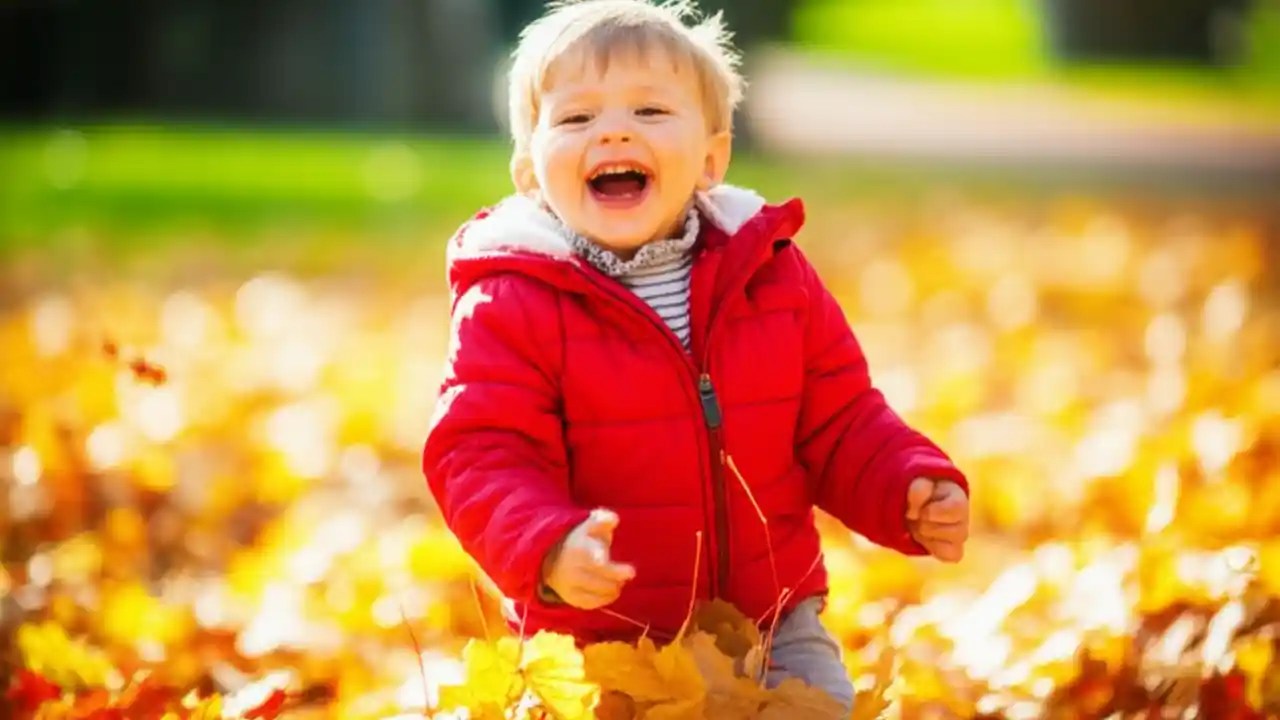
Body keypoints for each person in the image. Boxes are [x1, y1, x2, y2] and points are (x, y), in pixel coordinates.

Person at [422, 0, 970, 709]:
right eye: (577, 118)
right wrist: (547, 547)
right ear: (530, 172)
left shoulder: (769, 274)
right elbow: (481, 450)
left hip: (770, 619)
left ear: (713, 158)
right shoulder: (512, 302)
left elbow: (839, 417)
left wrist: (906, 486)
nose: (614, 129)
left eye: (650, 112)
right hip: (602, 635)